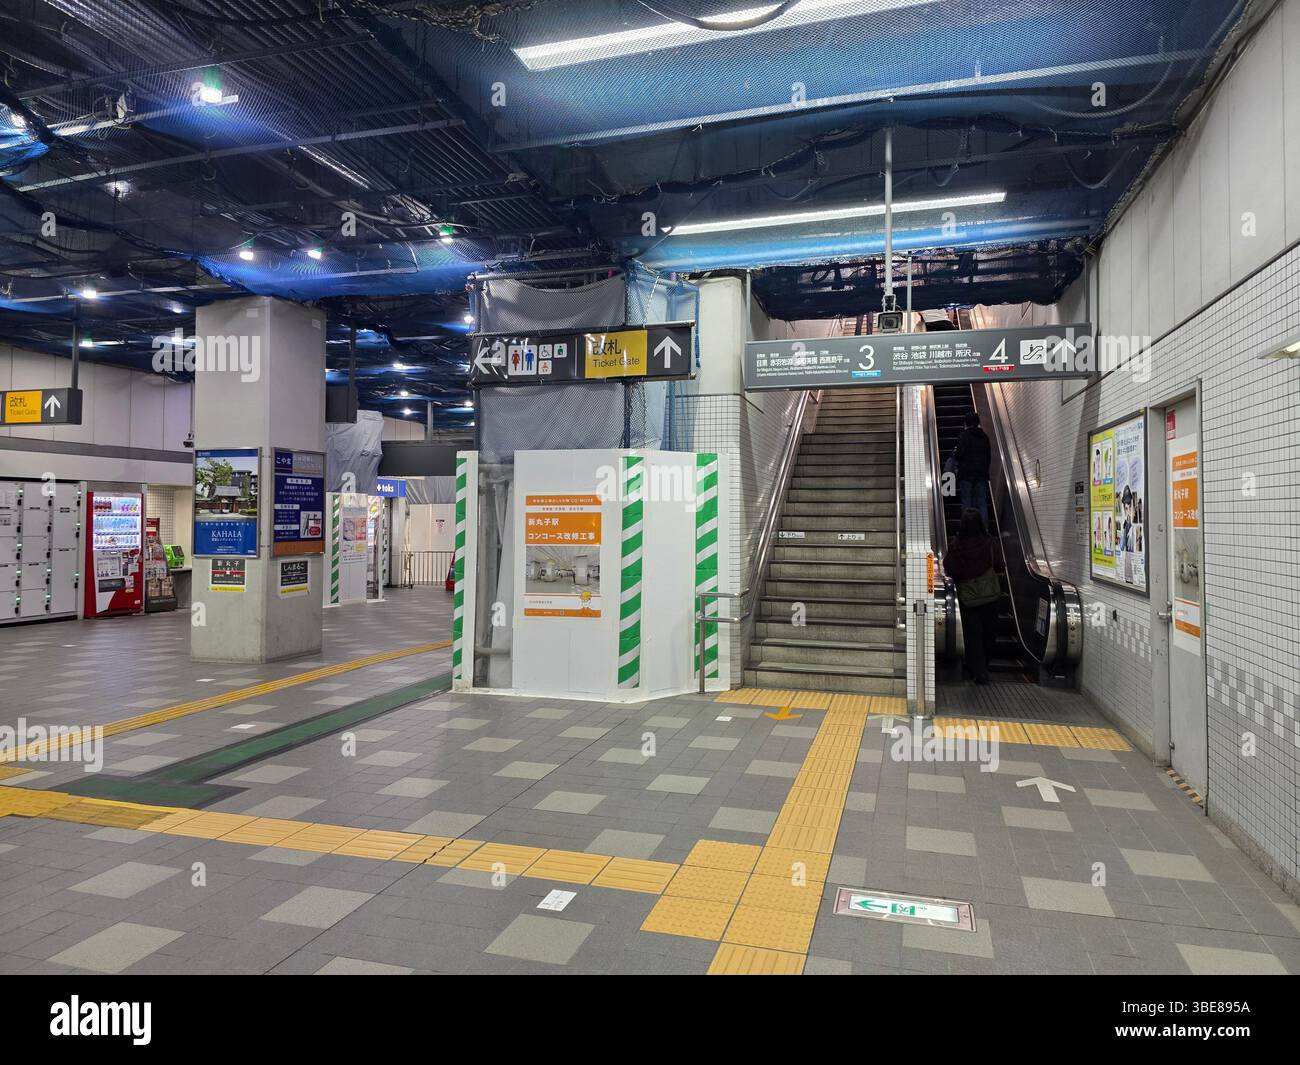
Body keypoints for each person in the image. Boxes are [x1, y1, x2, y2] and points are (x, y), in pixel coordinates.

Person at [943, 508, 1004, 685]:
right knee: (989, 633)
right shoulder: (989, 542)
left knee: (972, 635)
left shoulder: (957, 544)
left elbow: (950, 567)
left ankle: (977, 670)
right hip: (990, 596)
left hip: (969, 598)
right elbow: (1000, 565)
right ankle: (984, 665)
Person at [951, 411, 991, 525]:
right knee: (981, 502)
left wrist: (955, 453)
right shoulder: (984, 437)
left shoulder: (963, 437)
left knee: (967, 502)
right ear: (978, 422)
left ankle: (967, 529)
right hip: (981, 475)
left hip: (966, 474)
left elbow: (959, 455)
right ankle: (984, 530)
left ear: (966, 423)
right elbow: (988, 457)